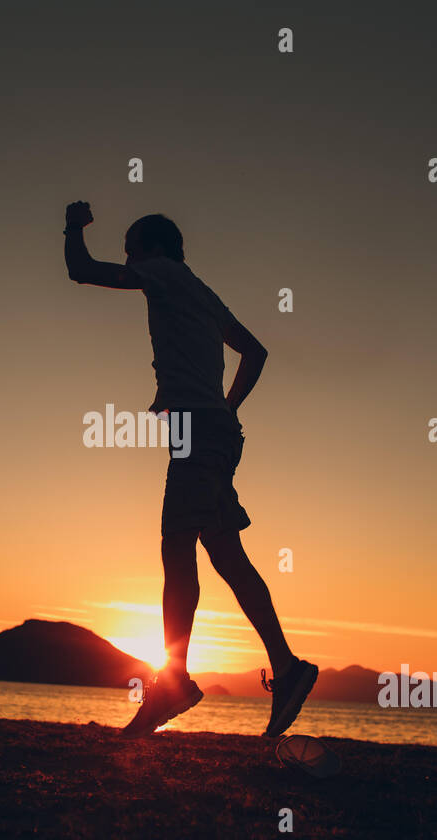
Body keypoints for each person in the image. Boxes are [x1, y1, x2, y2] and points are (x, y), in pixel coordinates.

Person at [63, 200, 319, 737]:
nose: (128, 260)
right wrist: (225, 406)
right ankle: (288, 668)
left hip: (199, 435)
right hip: (215, 433)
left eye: (131, 249)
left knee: (176, 546)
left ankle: (175, 681)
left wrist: (73, 226)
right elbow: (256, 351)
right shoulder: (203, 292)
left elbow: (81, 272)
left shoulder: (161, 273)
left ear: (152, 249)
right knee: (225, 553)